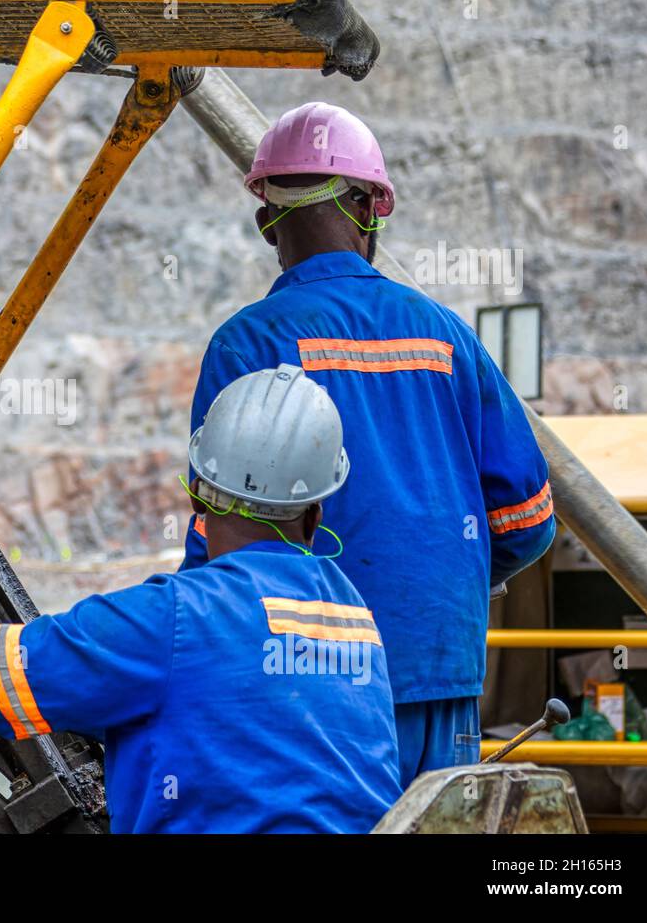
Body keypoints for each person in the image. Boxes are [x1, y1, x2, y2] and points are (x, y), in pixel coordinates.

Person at [0, 367, 403, 833]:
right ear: (317, 510)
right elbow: (186, 705)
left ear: (197, 495)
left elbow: (3, 681)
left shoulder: (179, 616)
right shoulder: (352, 617)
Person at [182, 101, 555, 785]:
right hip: (443, 668)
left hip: (306, 676)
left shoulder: (249, 343)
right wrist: (449, 571)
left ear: (267, 221)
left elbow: (221, 534)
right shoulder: (446, 337)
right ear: (370, 211)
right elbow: (529, 523)